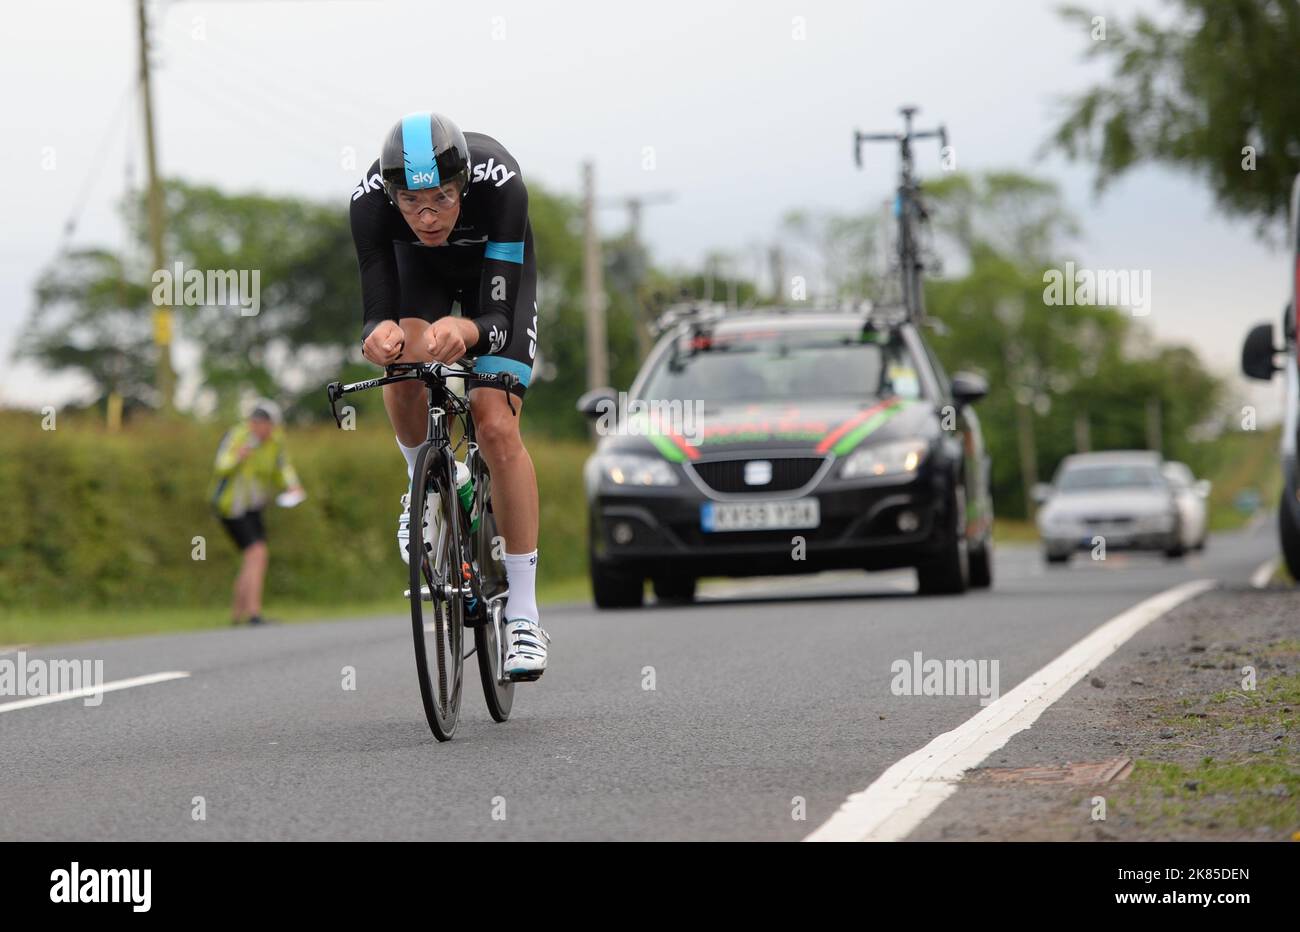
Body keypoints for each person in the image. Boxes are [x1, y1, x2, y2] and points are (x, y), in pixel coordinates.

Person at [349, 111, 549, 678]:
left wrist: (467, 331)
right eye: (411, 203)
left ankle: (526, 614)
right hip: (422, 273)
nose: (428, 215)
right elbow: (376, 310)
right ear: (391, 196)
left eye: (440, 197)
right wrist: (377, 336)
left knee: (495, 423)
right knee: (403, 359)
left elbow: (500, 319)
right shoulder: (368, 204)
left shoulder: (501, 182)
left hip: (495, 270)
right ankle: (426, 484)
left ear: (463, 184)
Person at [209, 400, 304, 626]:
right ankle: (253, 614)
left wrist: (293, 486)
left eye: (265, 424)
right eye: (256, 423)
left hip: (254, 506)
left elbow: (283, 468)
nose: (261, 429)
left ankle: (237, 614)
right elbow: (220, 465)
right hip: (231, 506)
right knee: (257, 554)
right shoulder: (237, 436)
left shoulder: (274, 442)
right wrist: (237, 457)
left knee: (253, 558)